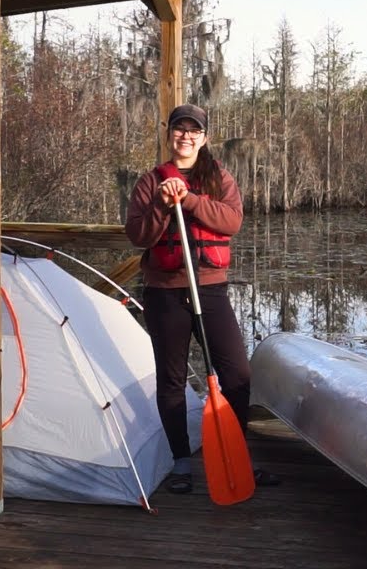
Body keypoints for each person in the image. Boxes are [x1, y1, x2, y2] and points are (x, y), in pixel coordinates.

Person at [124, 103, 280, 494]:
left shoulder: (219, 178)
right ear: (170, 134)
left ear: (204, 138)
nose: (186, 137)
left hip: (209, 288)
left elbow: (232, 221)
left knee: (237, 374)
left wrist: (189, 200)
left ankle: (237, 449)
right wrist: (163, 203)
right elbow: (139, 236)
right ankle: (180, 462)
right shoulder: (150, 182)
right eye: (180, 130)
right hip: (164, 292)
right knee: (172, 380)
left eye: (194, 131)